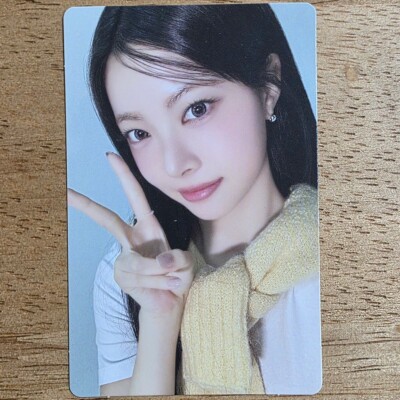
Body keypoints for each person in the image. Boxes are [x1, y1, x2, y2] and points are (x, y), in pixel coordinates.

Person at [68, 3, 321, 396]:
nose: (174, 164)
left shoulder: (346, 253)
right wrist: (159, 321)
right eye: (139, 133)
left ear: (268, 87)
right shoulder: (128, 277)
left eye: (196, 109)